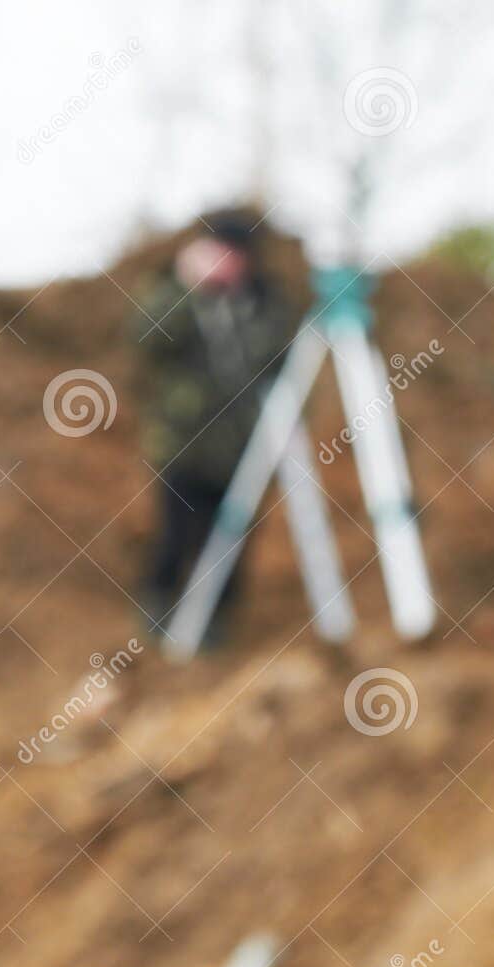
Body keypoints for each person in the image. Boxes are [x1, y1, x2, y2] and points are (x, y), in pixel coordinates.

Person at [134, 214, 296, 645]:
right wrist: (189, 287)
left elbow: (281, 364)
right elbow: (148, 339)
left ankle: (215, 623)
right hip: (183, 445)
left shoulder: (264, 304)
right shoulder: (175, 292)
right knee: (176, 533)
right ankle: (159, 610)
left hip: (243, 448)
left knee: (231, 537)